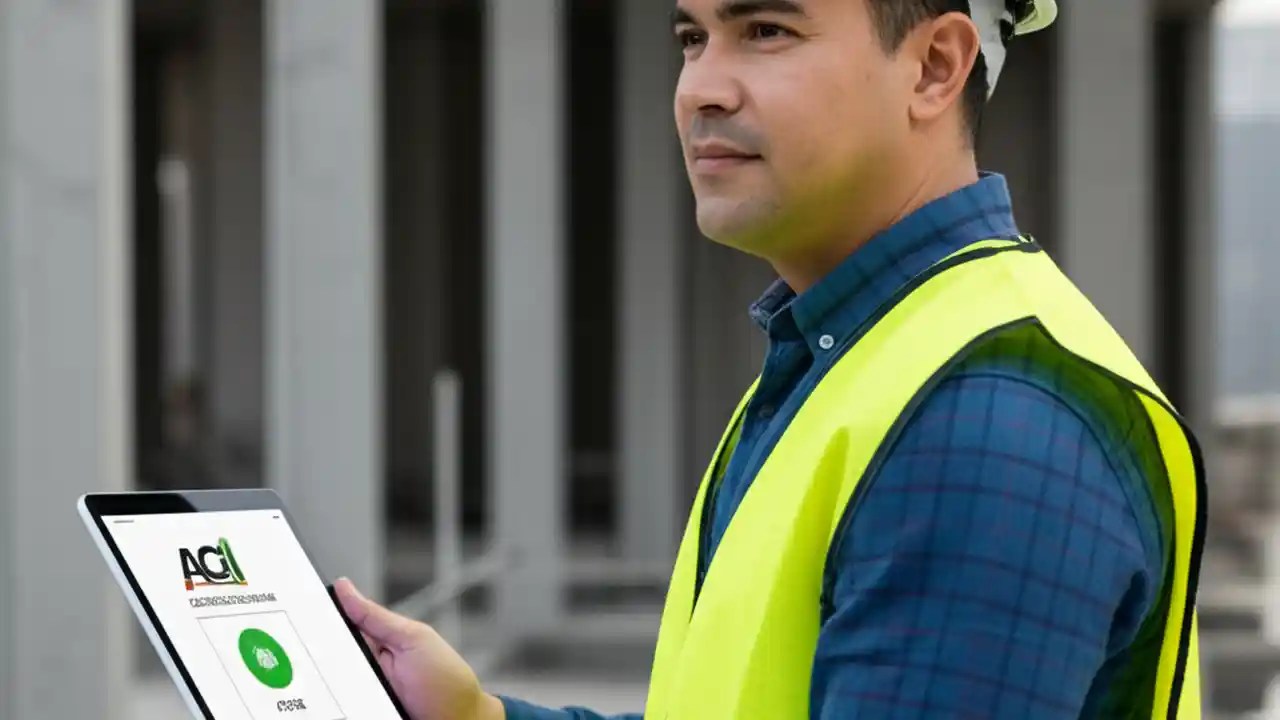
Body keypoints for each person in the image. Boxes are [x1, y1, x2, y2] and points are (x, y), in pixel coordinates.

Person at [335, 0, 1206, 717]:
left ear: (936, 67)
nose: (700, 89)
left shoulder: (987, 416)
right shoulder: (859, 357)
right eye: (691, 38)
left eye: (766, 31)